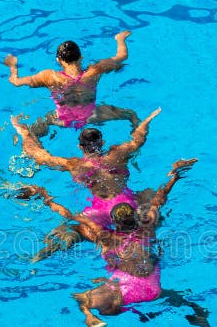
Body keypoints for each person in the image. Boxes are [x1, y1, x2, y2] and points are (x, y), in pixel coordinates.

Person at [17, 159, 217, 327]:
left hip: (124, 293)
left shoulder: (107, 238)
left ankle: (91, 319)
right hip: (153, 290)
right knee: (184, 302)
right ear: (136, 218)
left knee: (82, 298)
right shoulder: (148, 228)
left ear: (114, 223)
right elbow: (159, 199)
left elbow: (70, 215)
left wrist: (43, 195)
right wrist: (175, 175)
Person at [12, 108, 160, 260]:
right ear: (102, 142)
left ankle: (52, 249)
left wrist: (24, 132)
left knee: (72, 229)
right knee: (151, 197)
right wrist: (146, 120)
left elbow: (39, 156)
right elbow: (138, 140)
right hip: (126, 204)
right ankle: (150, 247)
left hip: (98, 212)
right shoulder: (118, 154)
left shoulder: (74, 165)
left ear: (80, 147)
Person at [4, 31, 139, 136]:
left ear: (58, 60)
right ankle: (136, 138)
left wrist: (12, 67)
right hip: (91, 116)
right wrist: (120, 38)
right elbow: (122, 56)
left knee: (30, 132)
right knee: (131, 114)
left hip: (60, 119)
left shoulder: (49, 77)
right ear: (81, 57)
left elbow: (16, 82)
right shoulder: (95, 71)